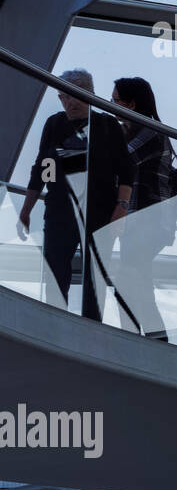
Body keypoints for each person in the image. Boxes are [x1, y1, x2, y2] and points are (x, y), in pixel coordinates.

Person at [17, 69, 135, 321]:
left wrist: (120, 210)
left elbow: (126, 171)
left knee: (95, 280)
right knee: (55, 274)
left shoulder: (106, 125)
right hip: (60, 211)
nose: (69, 102)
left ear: (90, 95)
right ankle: (54, 327)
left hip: (99, 212)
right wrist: (26, 210)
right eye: (63, 97)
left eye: (74, 96)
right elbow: (42, 169)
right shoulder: (55, 124)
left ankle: (91, 335)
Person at [111, 77, 175, 341]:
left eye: (115, 101)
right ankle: (150, 342)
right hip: (141, 221)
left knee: (130, 280)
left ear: (132, 104)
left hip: (147, 220)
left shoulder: (150, 131)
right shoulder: (136, 131)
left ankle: (140, 341)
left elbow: (121, 159)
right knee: (137, 281)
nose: (111, 106)